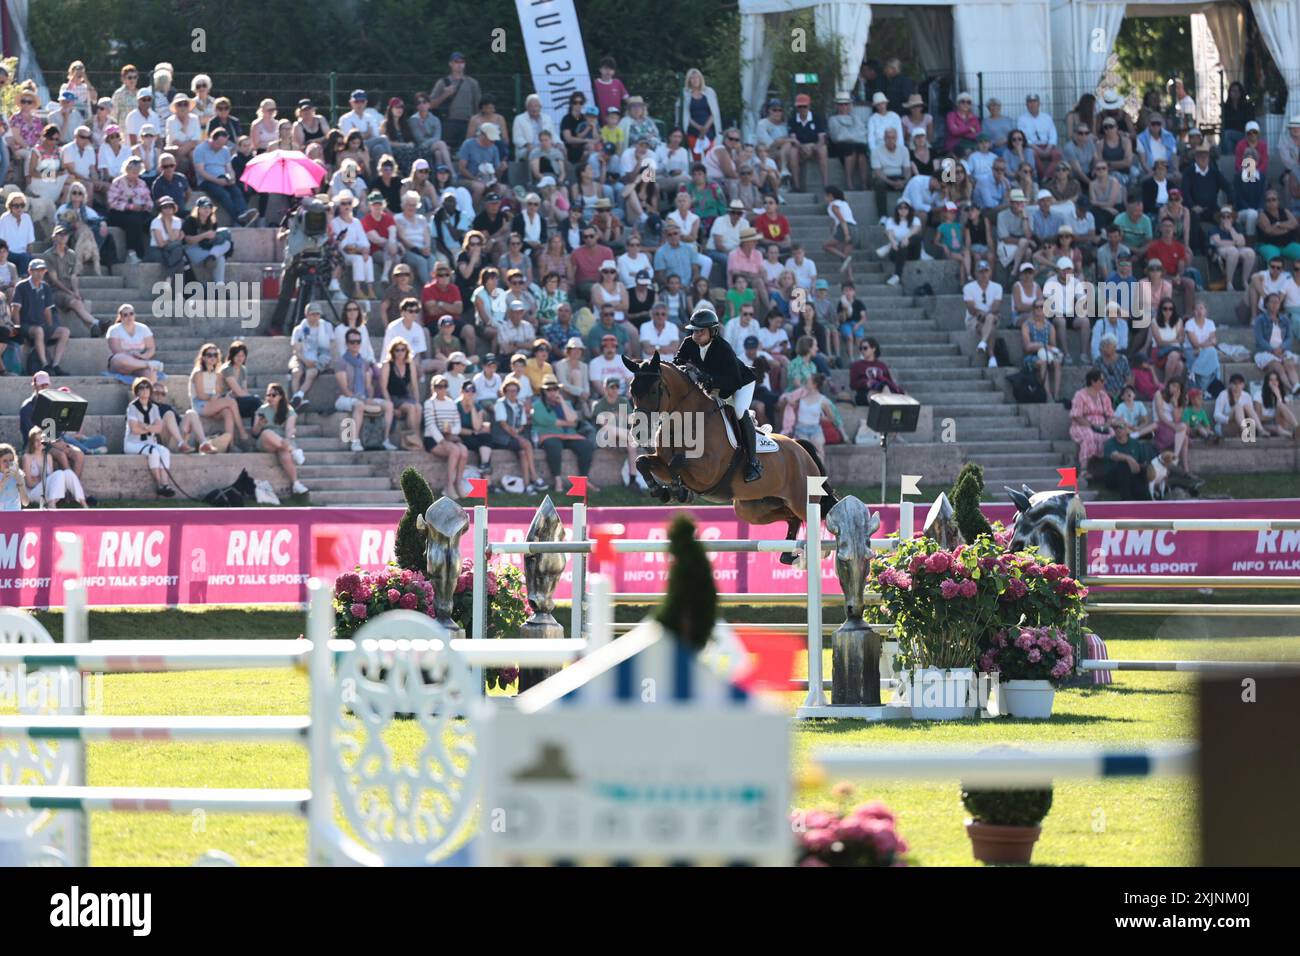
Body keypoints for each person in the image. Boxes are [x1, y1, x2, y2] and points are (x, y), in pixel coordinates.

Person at [671, 303, 760, 481]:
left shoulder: (723, 348)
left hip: (740, 384)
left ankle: (753, 462)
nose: (696, 335)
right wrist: (684, 368)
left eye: (700, 331)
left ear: (713, 331)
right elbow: (677, 361)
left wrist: (710, 379)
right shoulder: (689, 342)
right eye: (694, 331)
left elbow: (733, 380)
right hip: (715, 386)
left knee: (739, 412)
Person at [532, 374, 599, 493]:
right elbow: (553, 422)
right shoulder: (537, 405)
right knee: (553, 446)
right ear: (544, 391)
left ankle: (583, 480)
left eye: (555, 389)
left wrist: (562, 401)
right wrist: (569, 423)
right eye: (549, 390)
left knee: (586, 446)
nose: (552, 392)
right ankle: (558, 480)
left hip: (569, 435)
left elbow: (573, 418)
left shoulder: (566, 403)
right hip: (548, 435)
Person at [336, 326, 396, 452]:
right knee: (359, 405)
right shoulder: (341, 362)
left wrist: (369, 396)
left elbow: (368, 386)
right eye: (352, 342)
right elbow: (344, 389)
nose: (355, 344)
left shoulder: (364, 362)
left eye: (358, 342)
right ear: (347, 343)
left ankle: (385, 440)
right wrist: (362, 400)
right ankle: (355, 441)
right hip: (345, 398)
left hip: (362, 397)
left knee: (388, 405)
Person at [13, 258, 70, 375]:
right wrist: (17, 327)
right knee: (39, 331)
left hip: (40, 325)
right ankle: (45, 364)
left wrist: (50, 328)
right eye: (36, 270)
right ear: (29, 271)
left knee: (64, 331)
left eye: (42, 270)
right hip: (26, 325)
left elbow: (47, 310)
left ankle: (55, 365)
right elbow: (15, 309)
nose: (39, 273)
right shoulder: (21, 286)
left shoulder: (45, 287)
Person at [122, 379, 175, 498]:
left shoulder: (154, 408)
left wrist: (145, 426)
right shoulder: (132, 407)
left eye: (147, 388)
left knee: (165, 452)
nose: (145, 390)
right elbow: (134, 430)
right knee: (153, 452)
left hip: (150, 441)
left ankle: (165, 484)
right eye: (141, 388)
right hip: (133, 443)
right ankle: (159, 484)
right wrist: (151, 428)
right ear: (137, 391)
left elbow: (159, 428)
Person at [253, 383, 308, 495]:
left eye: (274, 395)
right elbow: (255, 433)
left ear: (281, 396)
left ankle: (295, 483)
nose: (270, 397)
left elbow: (289, 430)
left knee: (284, 451)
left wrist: (287, 440)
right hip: (265, 441)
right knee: (267, 433)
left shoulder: (288, 410)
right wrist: (259, 425)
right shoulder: (262, 410)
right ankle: (293, 451)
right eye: (268, 395)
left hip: (282, 440)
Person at [22, 423, 90, 506]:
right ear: (32, 442)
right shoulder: (27, 457)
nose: (39, 443)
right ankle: (52, 505)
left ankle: (84, 504)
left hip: (48, 492)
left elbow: (51, 480)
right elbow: (29, 483)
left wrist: (39, 479)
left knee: (68, 473)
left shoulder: (48, 456)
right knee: (59, 474)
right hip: (34, 493)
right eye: (36, 440)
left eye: (41, 440)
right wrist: (44, 480)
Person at [1103, 419, 1162, 500]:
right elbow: (1114, 456)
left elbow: (1142, 463)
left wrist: (1139, 467)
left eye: (1121, 427)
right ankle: (1126, 500)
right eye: (1115, 427)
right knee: (1123, 465)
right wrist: (1128, 458)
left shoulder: (1135, 443)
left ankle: (1154, 496)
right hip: (1113, 478)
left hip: (1132, 475)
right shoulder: (1110, 443)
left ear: (1127, 429)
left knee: (1144, 471)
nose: (1118, 429)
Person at [380, 336, 424, 447]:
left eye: (402, 350)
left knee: (418, 407)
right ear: (392, 351)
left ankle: (414, 437)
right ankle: (414, 437)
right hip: (392, 396)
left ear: (406, 351)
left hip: (405, 396)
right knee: (411, 408)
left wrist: (417, 400)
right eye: (397, 350)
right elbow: (383, 387)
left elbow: (414, 386)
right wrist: (391, 406)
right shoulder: (387, 365)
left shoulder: (410, 365)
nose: (400, 352)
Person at [1254, 293, 1300, 395]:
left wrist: (1282, 349)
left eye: (1277, 302)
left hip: (1282, 350)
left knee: (1289, 364)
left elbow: (1289, 338)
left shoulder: (1285, 320)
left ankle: (1297, 385)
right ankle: (1291, 388)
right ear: (1266, 304)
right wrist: (1272, 350)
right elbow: (1259, 339)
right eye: (1272, 302)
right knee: (1278, 367)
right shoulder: (1260, 320)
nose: (1275, 304)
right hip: (1265, 352)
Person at [1070, 369, 1115, 471]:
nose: (1104, 383)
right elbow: (1076, 416)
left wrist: (1107, 425)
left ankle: (1109, 466)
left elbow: (1110, 414)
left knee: (1112, 434)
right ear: (1093, 382)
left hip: (1102, 425)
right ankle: (1084, 468)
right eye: (1102, 380)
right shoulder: (1080, 395)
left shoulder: (1104, 395)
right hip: (1082, 425)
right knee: (1088, 436)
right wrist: (1093, 425)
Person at [963, 260, 1003, 367]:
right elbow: (971, 308)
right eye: (981, 272)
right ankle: (991, 356)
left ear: (990, 272)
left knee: (990, 317)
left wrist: (985, 314)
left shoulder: (997, 287)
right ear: (976, 273)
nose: (984, 274)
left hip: (991, 316)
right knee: (991, 328)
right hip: (974, 318)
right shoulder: (968, 288)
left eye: (986, 271)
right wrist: (981, 314)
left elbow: (996, 306)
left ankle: (983, 342)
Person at [1021, 301, 1062, 401]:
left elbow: (1053, 345)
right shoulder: (1026, 325)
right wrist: (1042, 346)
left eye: (1042, 307)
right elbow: (1027, 347)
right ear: (1033, 309)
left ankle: (1056, 395)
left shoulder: (1050, 326)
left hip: (1047, 354)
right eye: (1037, 307)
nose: (1039, 309)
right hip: (1031, 356)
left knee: (1057, 363)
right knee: (1042, 362)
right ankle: (1047, 395)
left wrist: (1049, 350)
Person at [850, 338, 902, 404]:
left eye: (865, 348)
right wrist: (866, 383)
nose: (862, 351)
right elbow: (852, 385)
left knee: (885, 388)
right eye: (861, 348)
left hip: (882, 390)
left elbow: (889, 382)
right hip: (864, 392)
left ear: (873, 349)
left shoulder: (882, 365)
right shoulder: (856, 365)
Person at [1214, 373, 1264, 439]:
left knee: (1247, 406)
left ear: (1243, 385)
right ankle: (1245, 431)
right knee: (1238, 406)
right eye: (1234, 383)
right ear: (1230, 385)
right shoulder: (1223, 394)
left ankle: (1261, 430)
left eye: (1239, 383)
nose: (1237, 386)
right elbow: (1216, 415)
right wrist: (1228, 419)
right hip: (1226, 425)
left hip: (1241, 426)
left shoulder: (1247, 396)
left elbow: (1251, 415)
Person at [0, 443, 31, 510]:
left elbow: (25, 503)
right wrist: (3, 481)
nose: (8, 464)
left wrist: (19, 481)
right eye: (5, 461)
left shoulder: (19, 474)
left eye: (11, 460)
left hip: (14, 513)